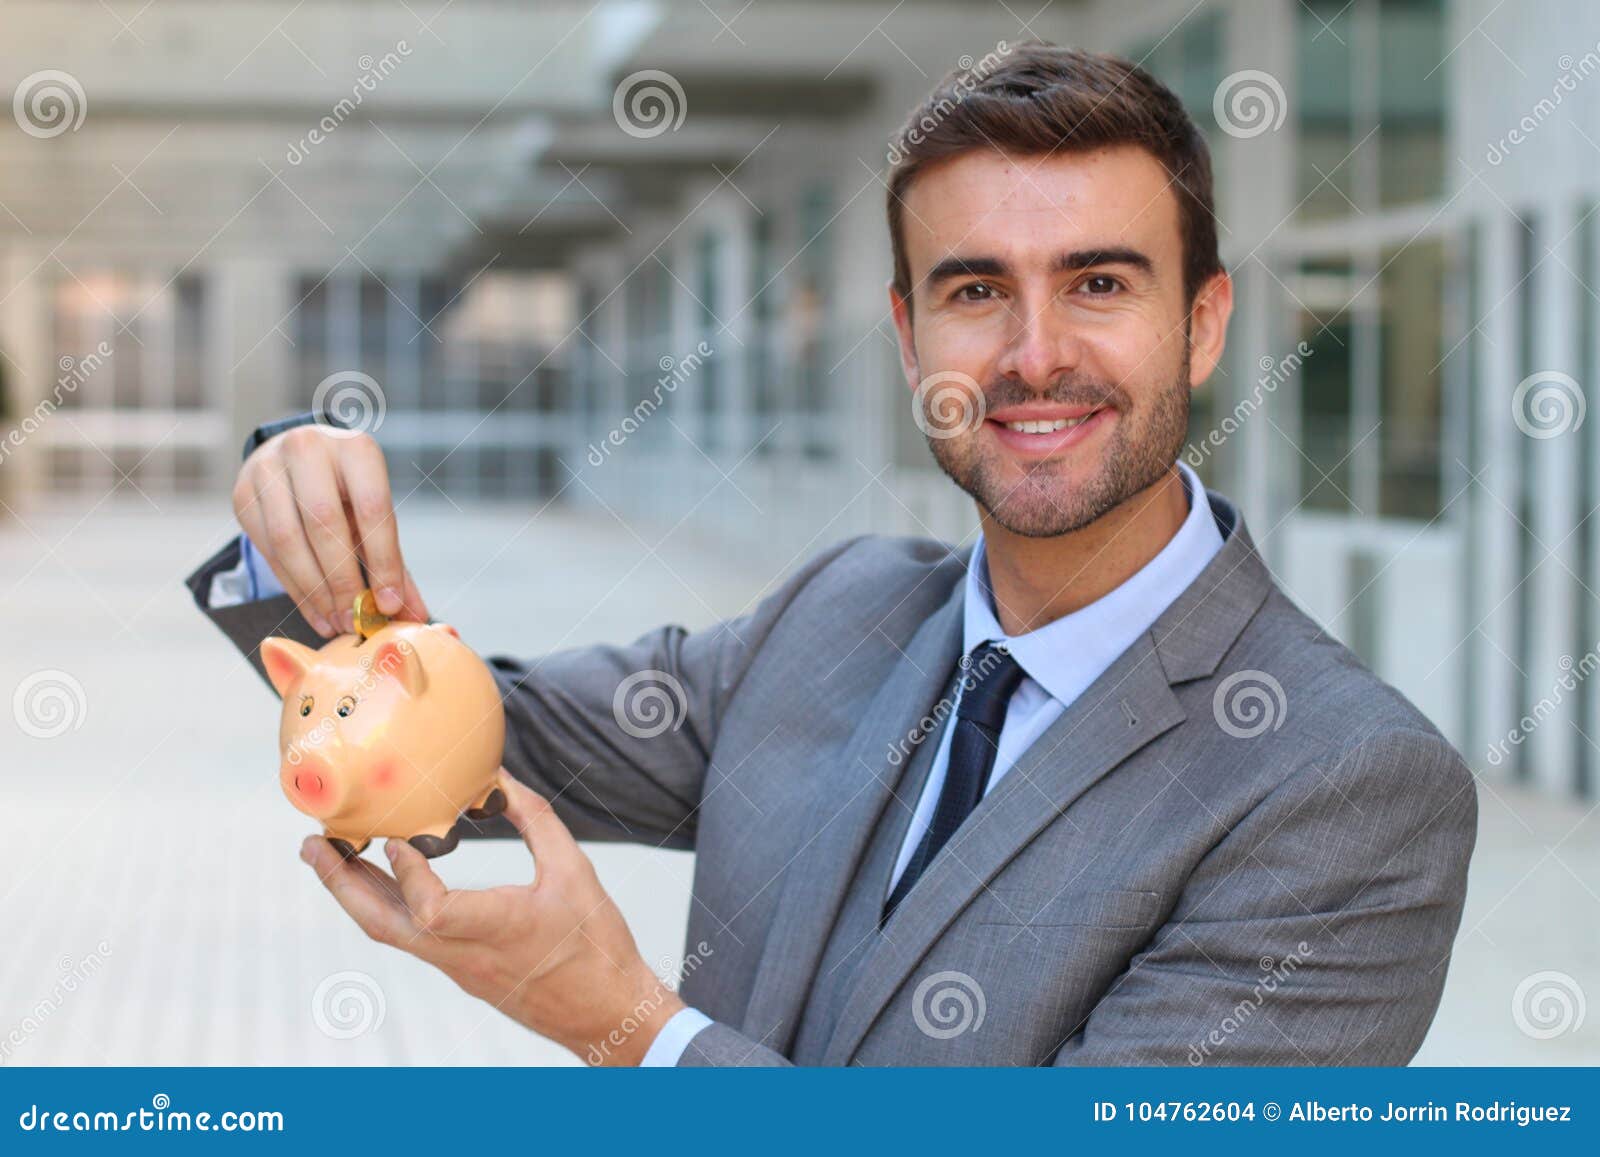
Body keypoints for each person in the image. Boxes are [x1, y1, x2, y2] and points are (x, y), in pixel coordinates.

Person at [186, 42, 1477, 1067]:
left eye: (1097, 283)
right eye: (977, 291)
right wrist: (296, 524)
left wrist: (632, 1031)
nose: (1034, 355)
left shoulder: (1348, 791)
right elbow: (467, 736)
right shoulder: (842, 611)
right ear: (912, 341)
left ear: (1201, 325)